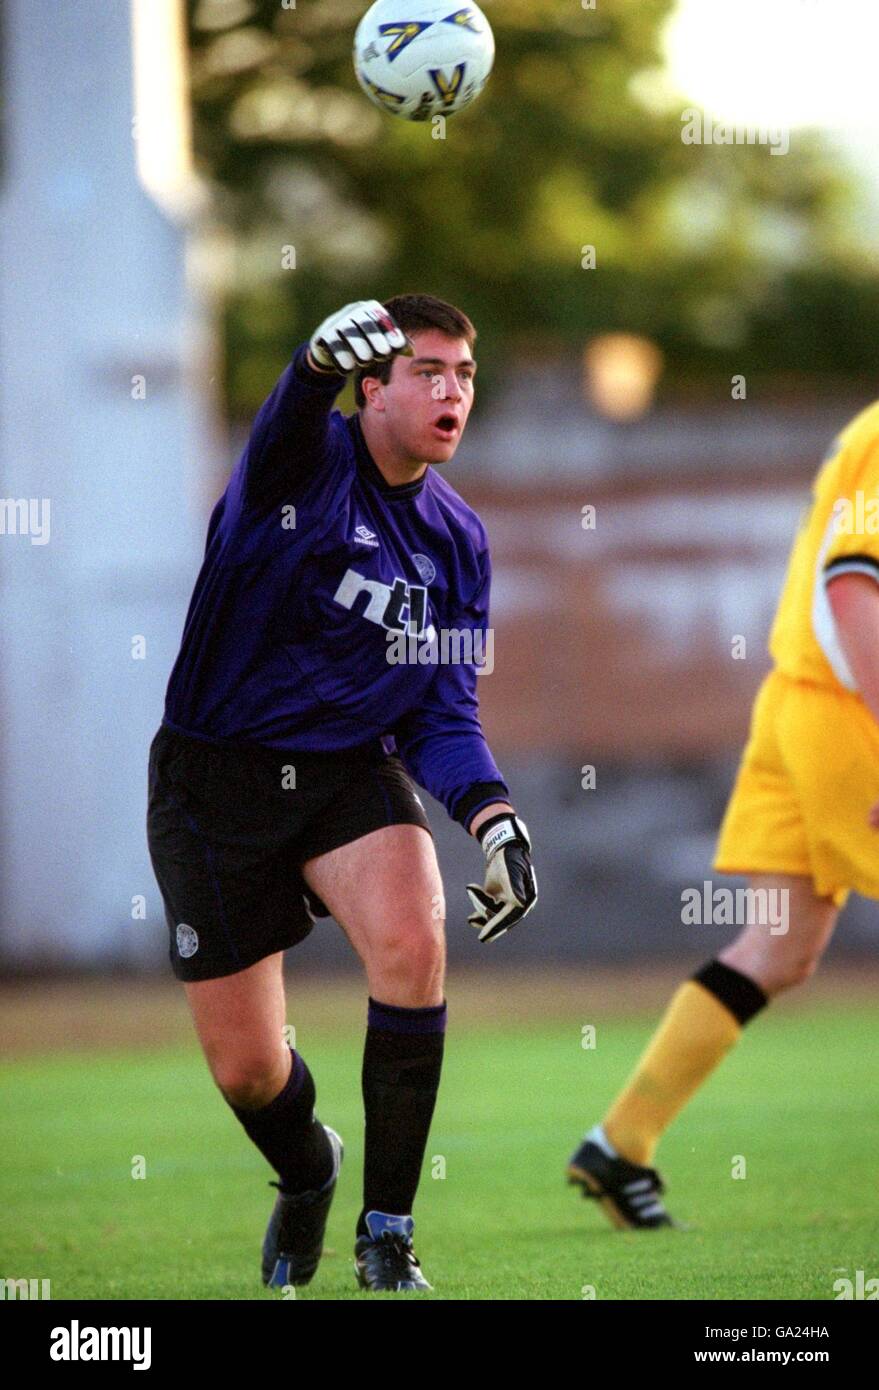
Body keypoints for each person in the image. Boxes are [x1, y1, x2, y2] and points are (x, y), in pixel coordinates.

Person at [147, 295, 538, 1292]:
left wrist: (494, 819)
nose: (452, 392)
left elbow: (442, 713)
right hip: (215, 776)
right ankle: (311, 1167)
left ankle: (388, 1234)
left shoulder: (458, 543)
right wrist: (311, 364)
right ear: (373, 388)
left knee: (415, 938)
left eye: (465, 373)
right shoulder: (301, 465)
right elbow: (284, 426)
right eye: (428, 372)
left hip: (346, 772)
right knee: (247, 1070)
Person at [567, 402, 879, 1229]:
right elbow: (856, 589)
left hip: (797, 703)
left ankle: (619, 1141)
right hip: (846, 718)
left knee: (775, 949)